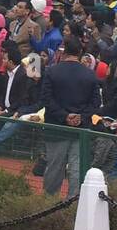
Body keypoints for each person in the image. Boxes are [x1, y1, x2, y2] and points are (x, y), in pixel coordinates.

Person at [40, 37, 101, 196]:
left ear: (63, 51)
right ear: (80, 53)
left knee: (54, 167)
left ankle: (49, 202)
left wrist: (64, 116)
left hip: (56, 128)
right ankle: (74, 204)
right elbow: (96, 103)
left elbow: (46, 99)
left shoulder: (52, 71)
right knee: (77, 169)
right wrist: (80, 117)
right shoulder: (90, 74)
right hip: (80, 130)